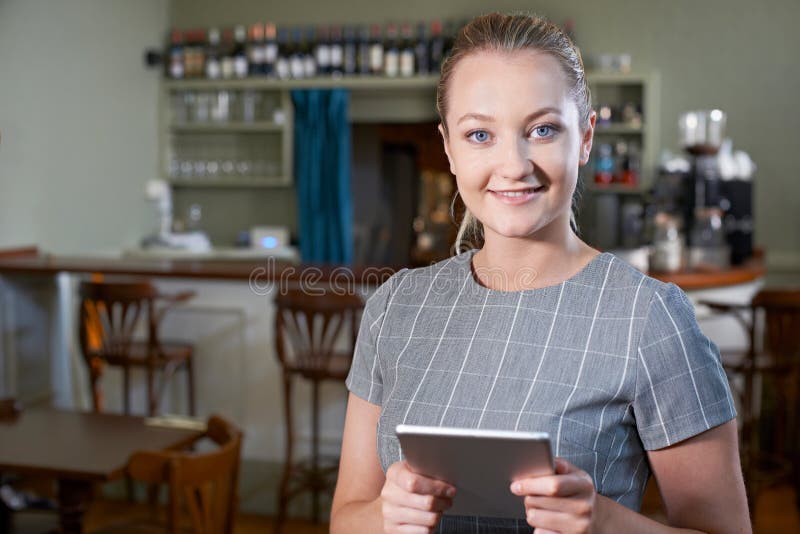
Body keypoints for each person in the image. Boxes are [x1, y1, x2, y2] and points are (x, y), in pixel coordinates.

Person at [331, 12, 750, 534]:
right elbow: (346, 520)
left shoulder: (650, 319)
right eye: (479, 134)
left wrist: (604, 522)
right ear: (449, 149)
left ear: (586, 137)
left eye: (543, 130)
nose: (513, 165)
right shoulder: (396, 307)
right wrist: (384, 516)